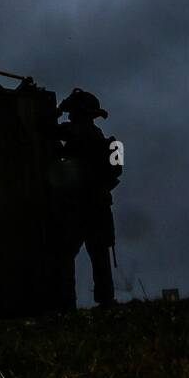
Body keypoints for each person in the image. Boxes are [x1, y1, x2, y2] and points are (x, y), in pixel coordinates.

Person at [54, 89, 122, 307]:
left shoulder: (74, 131)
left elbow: (45, 129)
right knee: (99, 254)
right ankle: (106, 300)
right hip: (99, 203)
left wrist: (56, 111)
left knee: (65, 254)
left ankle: (66, 302)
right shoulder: (97, 134)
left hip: (79, 204)